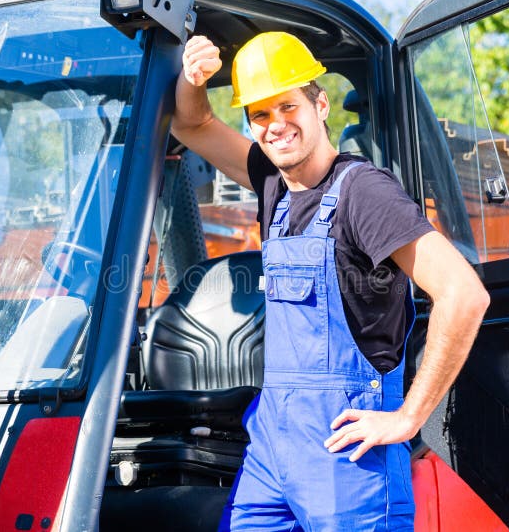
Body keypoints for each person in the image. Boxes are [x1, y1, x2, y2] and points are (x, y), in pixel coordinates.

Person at [171, 31, 490, 532]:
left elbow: (464, 293)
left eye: (287, 106)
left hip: (348, 459)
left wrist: (408, 417)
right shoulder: (272, 181)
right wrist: (193, 80)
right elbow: (193, 124)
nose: (276, 125)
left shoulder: (364, 194)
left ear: (320, 105)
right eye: (260, 114)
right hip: (274, 446)